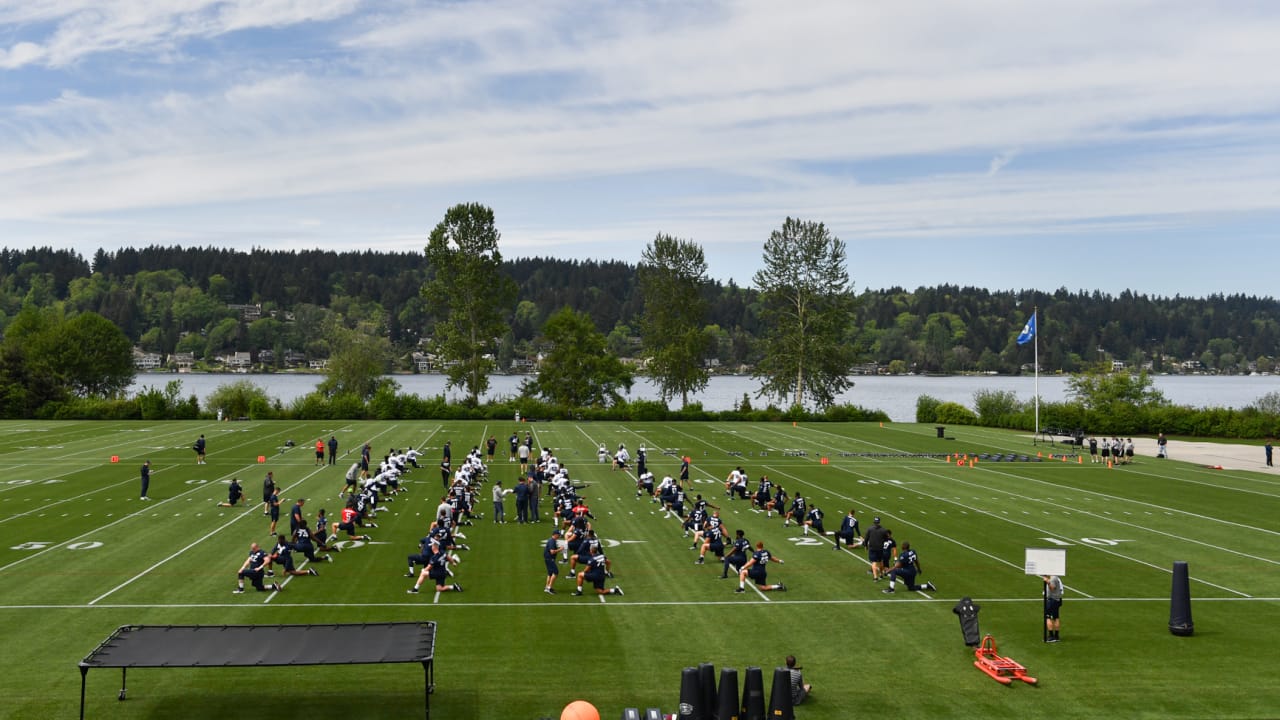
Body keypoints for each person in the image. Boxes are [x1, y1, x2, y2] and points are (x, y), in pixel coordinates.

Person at [1044, 574, 1064, 642]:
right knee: (1056, 618)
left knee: (1048, 617)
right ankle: (1056, 636)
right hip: (1057, 599)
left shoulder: (1052, 578)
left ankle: (1051, 636)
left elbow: (1052, 588)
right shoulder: (1056, 578)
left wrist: (1047, 581)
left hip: (1052, 600)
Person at [544, 529, 563, 594]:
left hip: (548, 559)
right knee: (556, 572)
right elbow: (552, 552)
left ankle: (546, 587)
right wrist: (560, 549)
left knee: (550, 573)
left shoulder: (551, 540)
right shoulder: (552, 541)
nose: (559, 536)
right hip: (550, 559)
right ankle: (549, 588)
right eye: (558, 535)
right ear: (555, 534)